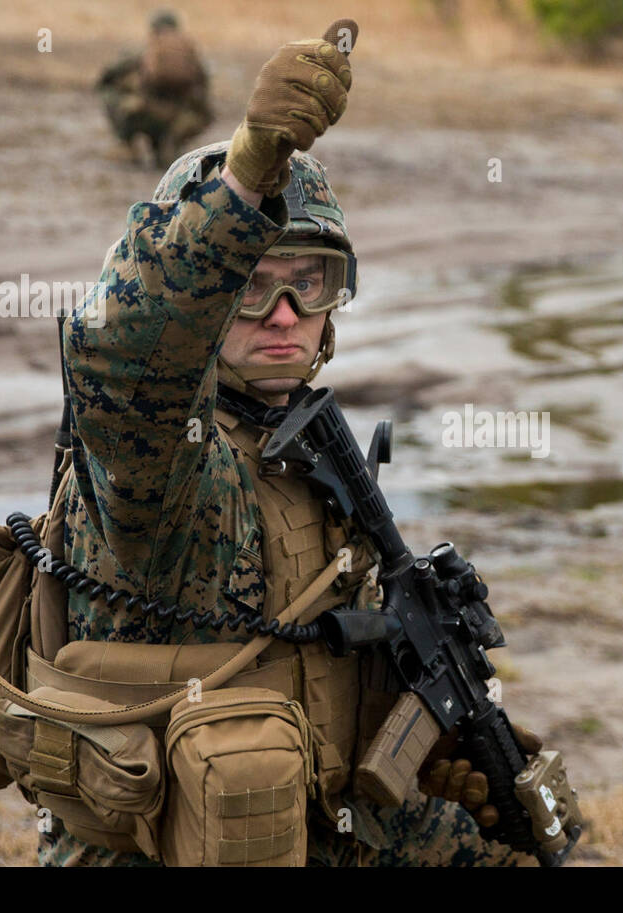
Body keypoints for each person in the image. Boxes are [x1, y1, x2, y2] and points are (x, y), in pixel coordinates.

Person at [43, 18, 543, 866]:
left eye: (307, 283)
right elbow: (128, 357)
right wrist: (243, 183)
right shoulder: (166, 460)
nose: (283, 313)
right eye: (249, 284)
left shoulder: (310, 455)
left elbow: (329, 726)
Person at [96, 9, 213, 168]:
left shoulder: (146, 51)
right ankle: (171, 145)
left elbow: (108, 76)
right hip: (182, 121)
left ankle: (129, 147)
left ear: (153, 28)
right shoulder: (191, 55)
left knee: (111, 95)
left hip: (147, 116)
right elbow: (204, 91)